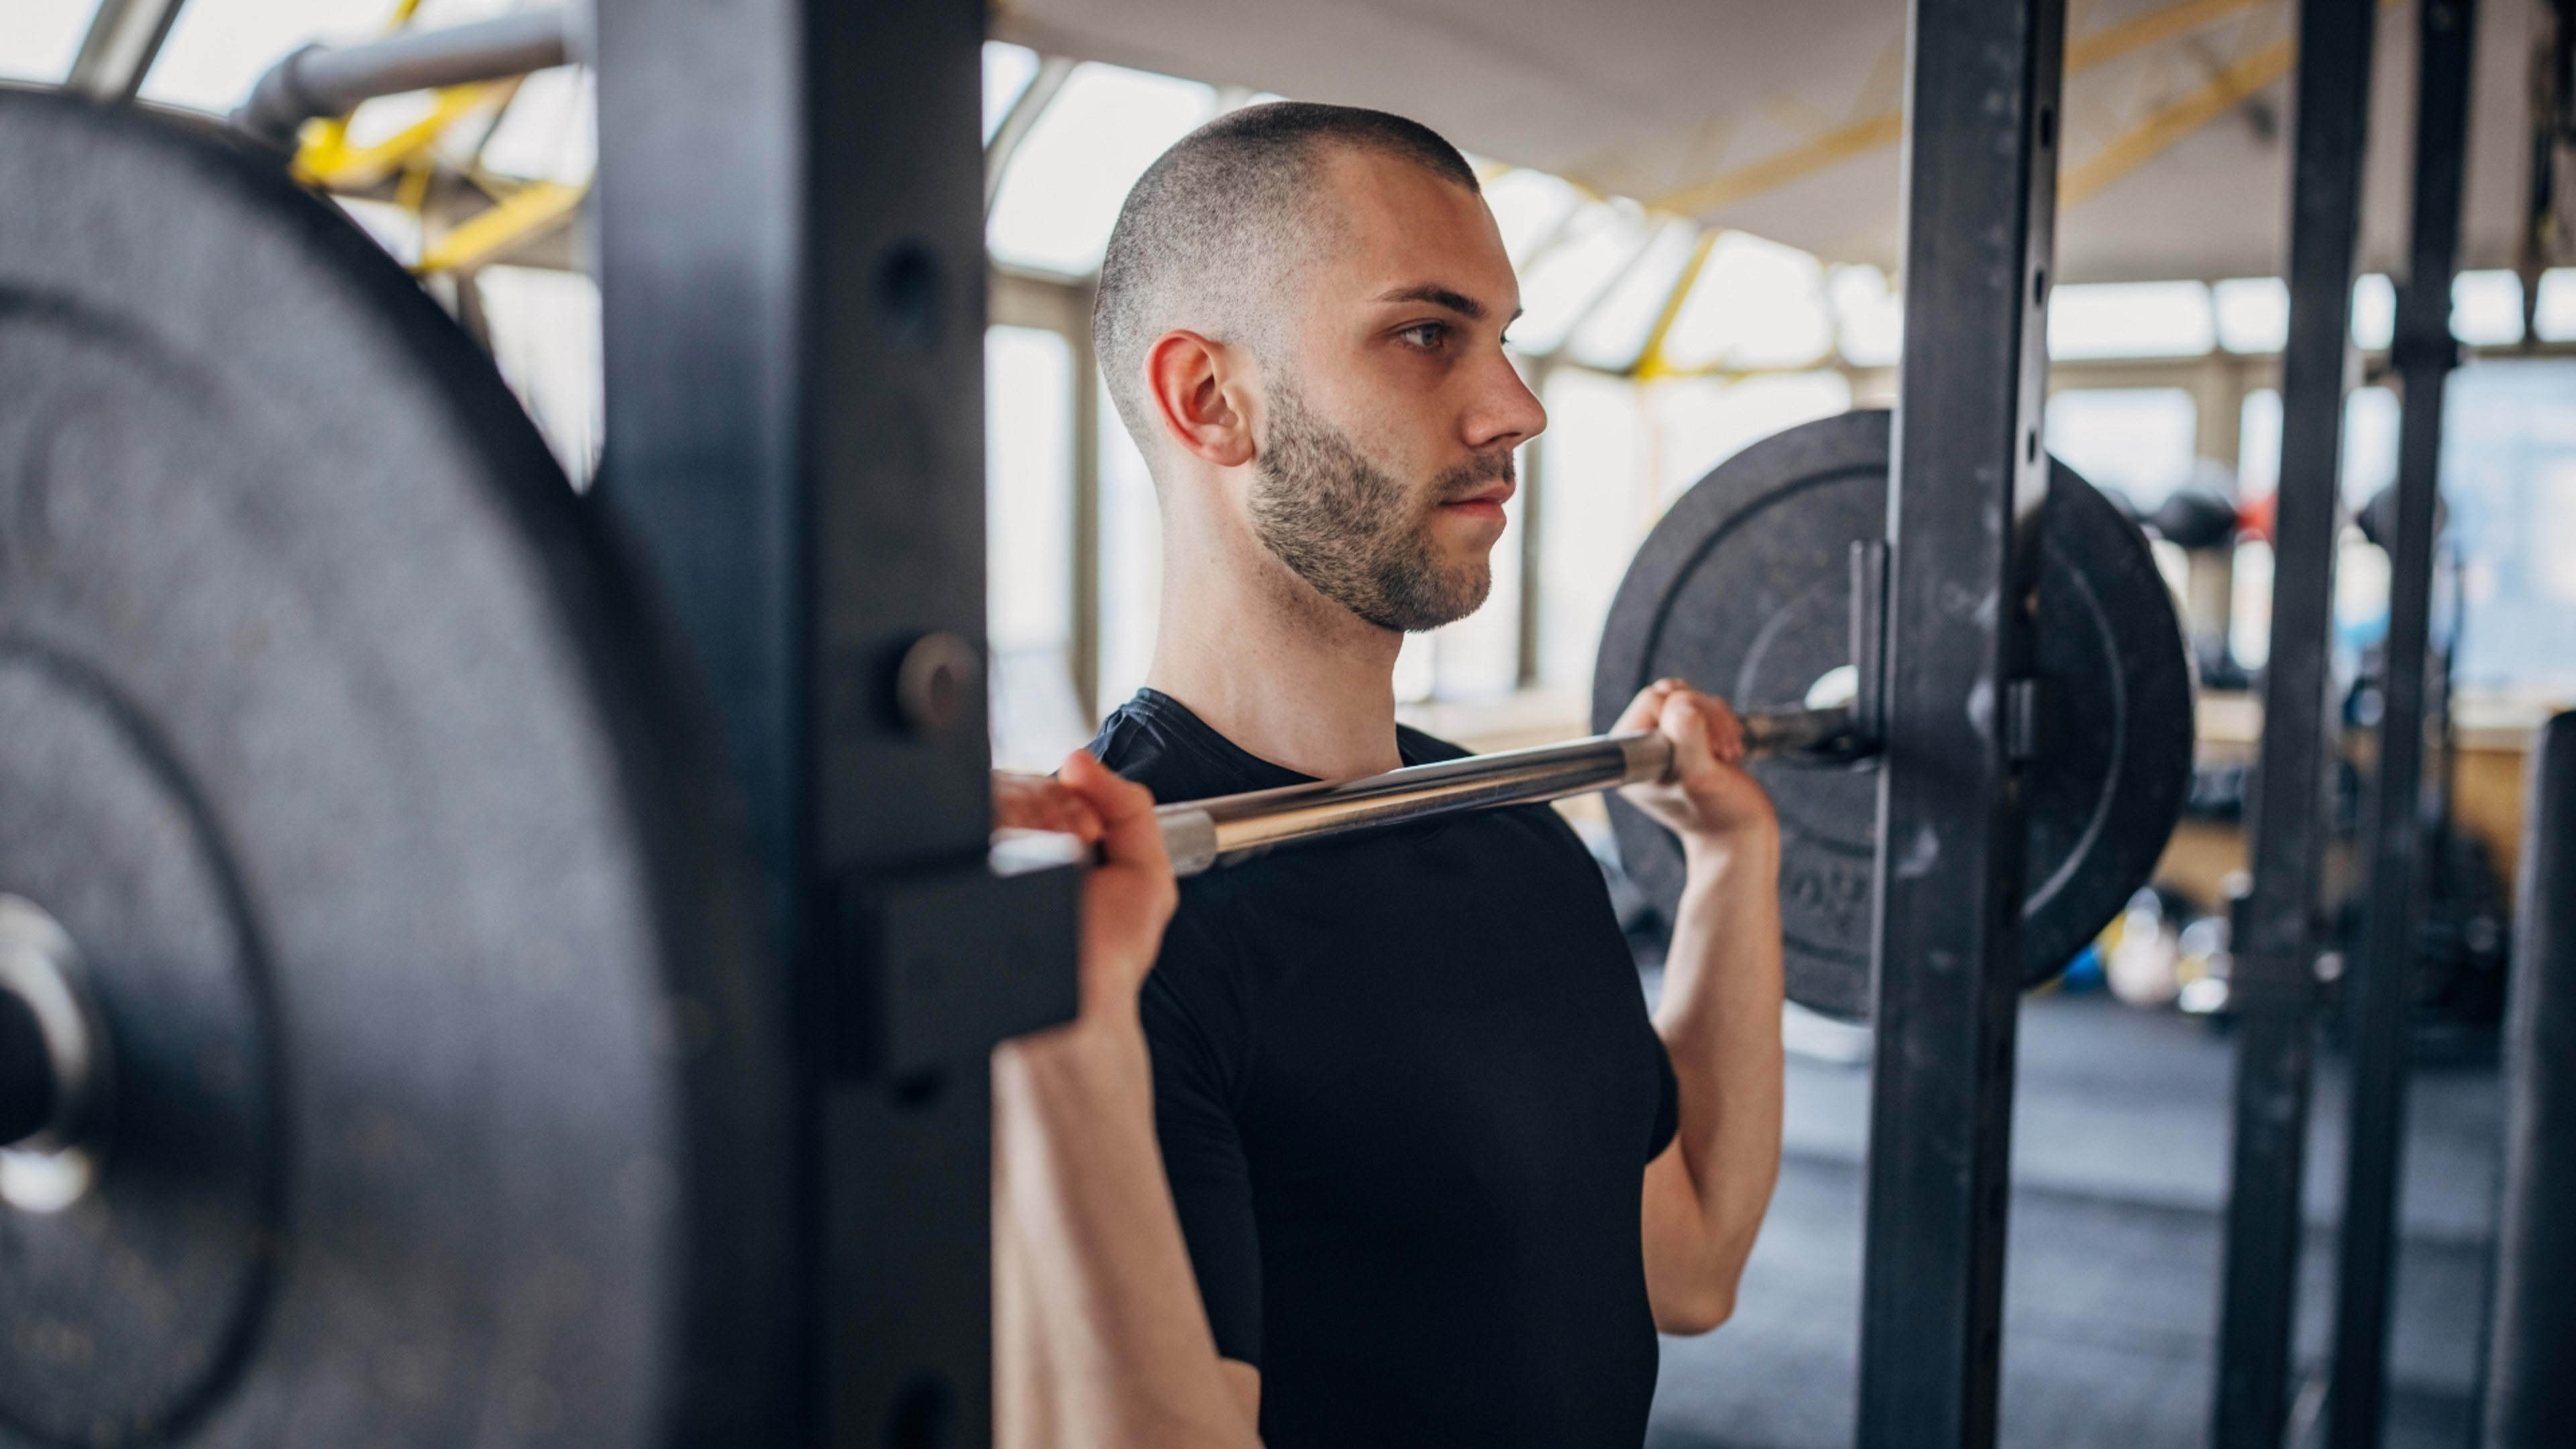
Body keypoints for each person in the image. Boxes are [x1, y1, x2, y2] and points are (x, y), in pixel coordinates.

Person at [994, 100, 1784, 1449]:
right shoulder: (1124, 938)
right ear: (1210, 401)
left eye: (1505, 341)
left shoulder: (1519, 840)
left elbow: (1691, 1262)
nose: (1517, 409)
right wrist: (1069, 1050)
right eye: (1427, 335)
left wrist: (1733, 862)